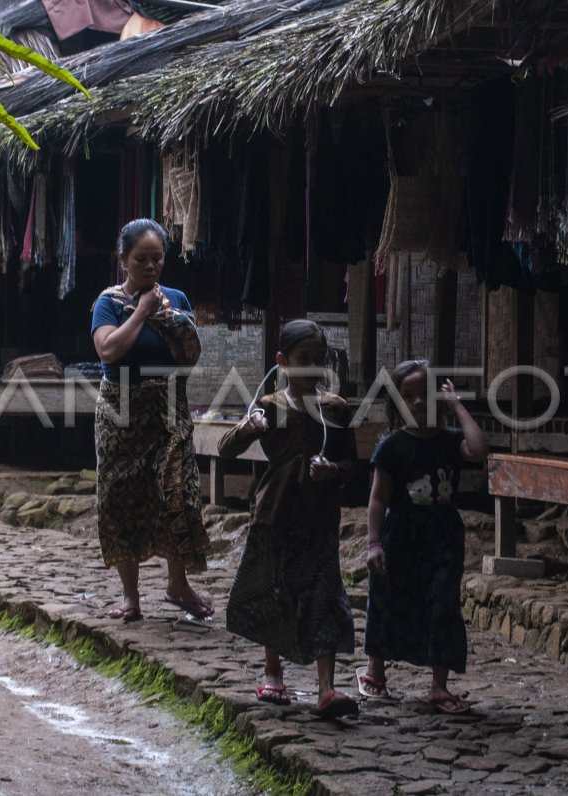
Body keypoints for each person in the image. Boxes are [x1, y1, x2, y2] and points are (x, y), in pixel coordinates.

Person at [218, 320, 360, 719]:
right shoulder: (268, 406)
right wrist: (248, 427)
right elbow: (228, 449)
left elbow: (352, 464)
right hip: (275, 513)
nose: (312, 368)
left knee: (325, 595)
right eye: (303, 360)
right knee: (276, 591)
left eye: (319, 360)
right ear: (282, 361)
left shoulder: (335, 408)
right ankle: (272, 670)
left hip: (318, 516)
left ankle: (327, 689)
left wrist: (332, 471)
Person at [91, 218, 213, 622]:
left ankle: (178, 584)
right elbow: (109, 350)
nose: (150, 267)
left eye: (157, 259)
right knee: (120, 497)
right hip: (120, 412)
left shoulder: (176, 298)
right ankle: (131, 597)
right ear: (123, 260)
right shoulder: (108, 303)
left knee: (178, 492)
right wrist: (142, 312)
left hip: (168, 409)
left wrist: (168, 316)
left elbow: (190, 354)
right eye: (141, 259)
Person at [360, 359, 489, 714]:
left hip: (442, 534)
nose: (417, 402)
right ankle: (375, 670)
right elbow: (377, 499)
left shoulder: (449, 442)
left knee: (443, 603)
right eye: (408, 396)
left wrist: (457, 405)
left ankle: (439, 685)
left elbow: (478, 449)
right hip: (400, 533)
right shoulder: (391, 446)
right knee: (387, 598)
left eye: (425, 395)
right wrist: (374, 543)